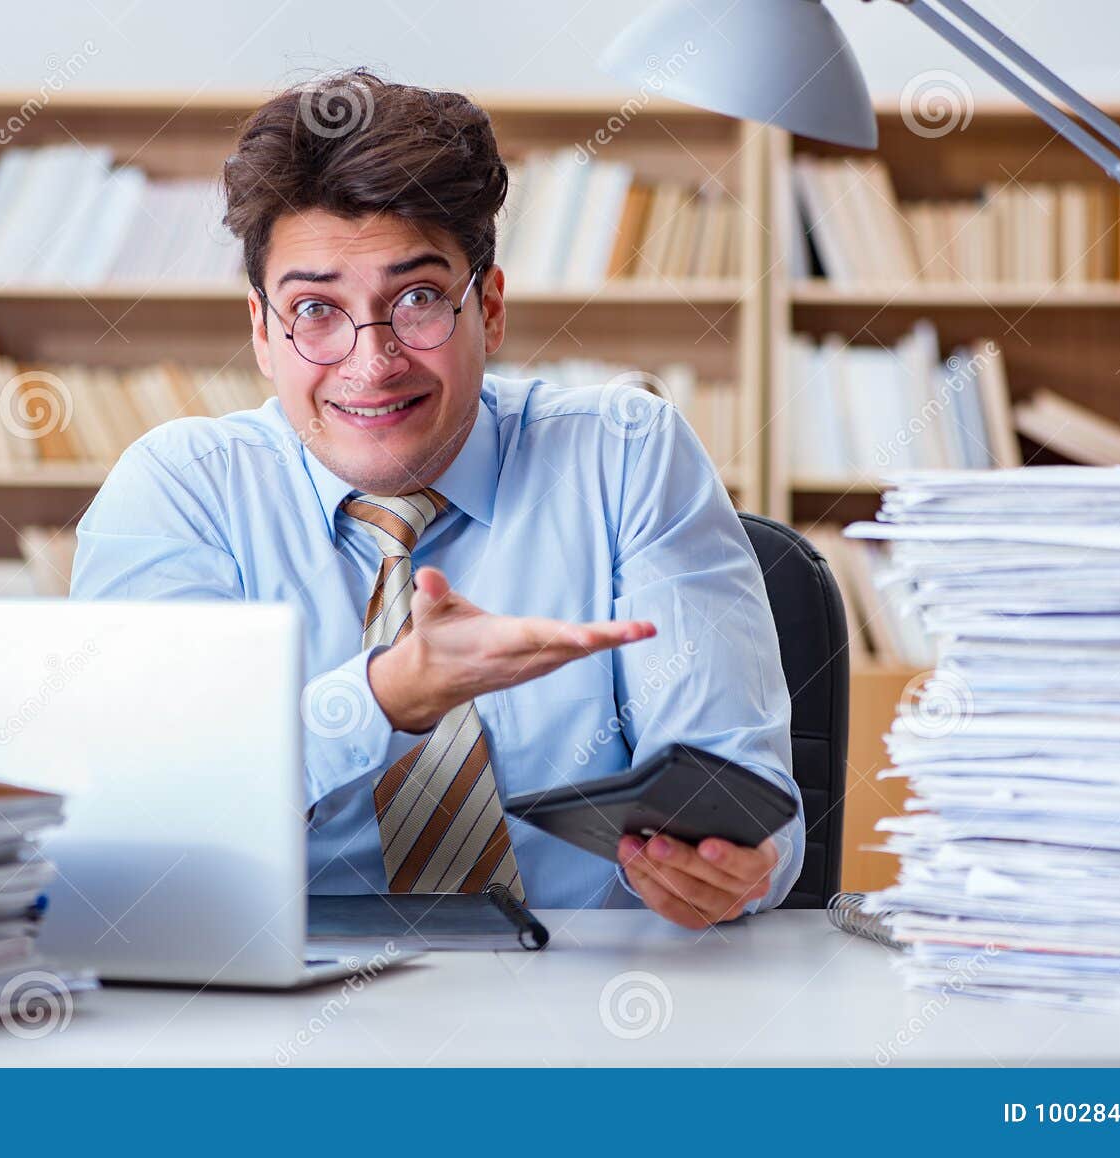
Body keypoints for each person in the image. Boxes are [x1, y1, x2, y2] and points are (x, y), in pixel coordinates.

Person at [70, 68, 803, 928]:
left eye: (417, 299)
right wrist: (383, 700)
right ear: (264, 333)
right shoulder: (179, 491)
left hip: (589, 1002)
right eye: (315, 310)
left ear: (487, 309)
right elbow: (141, 822)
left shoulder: (625, 454)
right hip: (277, 1012)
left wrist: (734, 867)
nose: (371, 363)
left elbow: (741, 798)